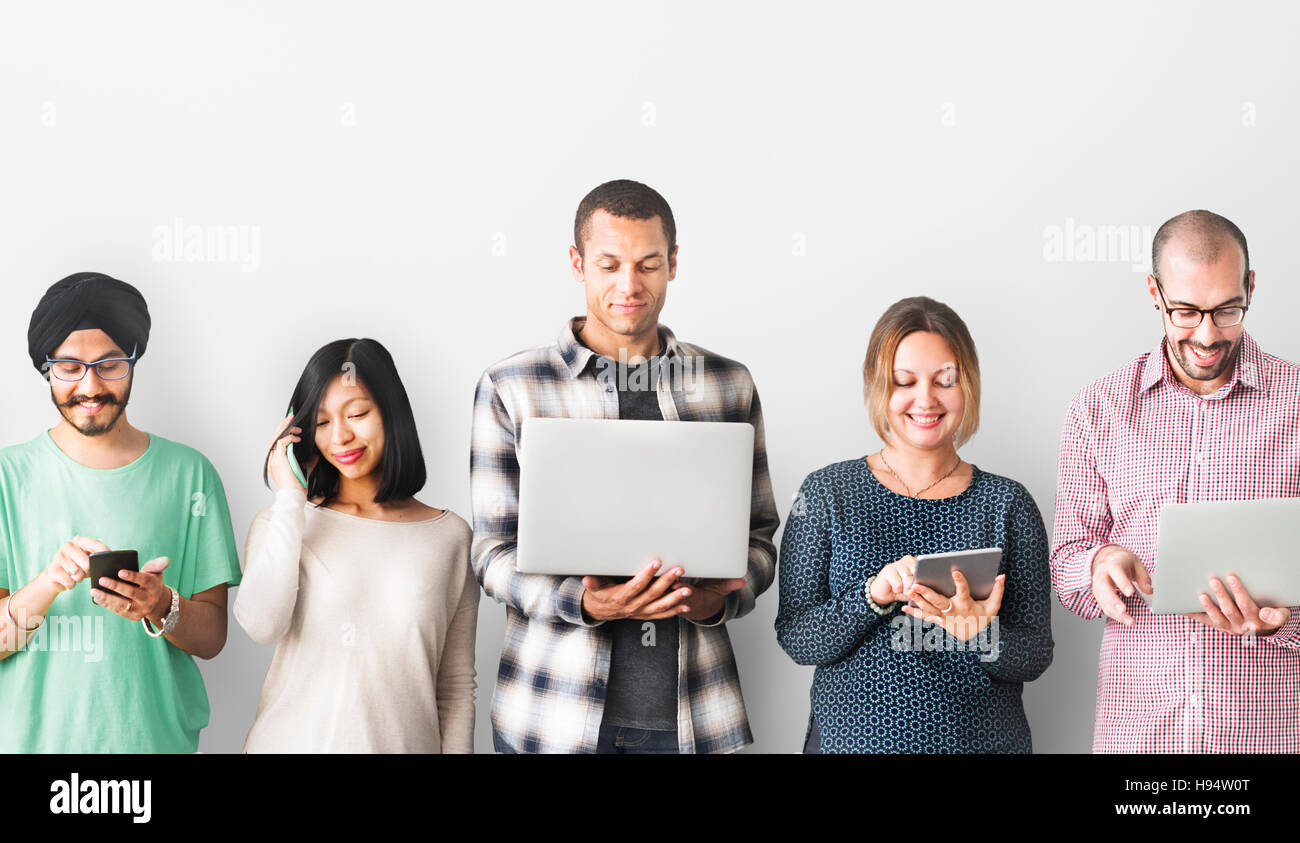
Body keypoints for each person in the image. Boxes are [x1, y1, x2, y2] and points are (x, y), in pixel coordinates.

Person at [471, 179, 779, 754]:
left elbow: (760, 538)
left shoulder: (727, 384)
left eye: (648, 265)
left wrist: (721, 601)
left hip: (692, 719)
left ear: (674, 264)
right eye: (609, 264)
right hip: (550, 717)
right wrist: (584, 603)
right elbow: (491, 554)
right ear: (577, 263)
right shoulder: (512, 387)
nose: (628, 286)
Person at [1051, 209, 1300, 753]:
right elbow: (1067, 561)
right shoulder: (1100, 408)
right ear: (1154, 293)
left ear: (1250, 287)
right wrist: (1097, 565)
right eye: (1186, 311)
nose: (1207, 335)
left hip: (1268, 737)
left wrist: (1287, 623)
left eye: (1227, 309)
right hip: (1138, 738)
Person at [776, 296, 1053, 753]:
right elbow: (798, 638)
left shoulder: (1008, 503)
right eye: (904, 381)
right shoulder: (826, 493)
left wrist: (978, 634)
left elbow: (1036, 654)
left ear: (968, 386)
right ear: (877, 386)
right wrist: (872, 597)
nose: (925, 399)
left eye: (944, 381)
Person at [0, 272, 241, 753]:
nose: (90, 386)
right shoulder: (7, 478)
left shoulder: (191, 476)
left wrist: (161, 606)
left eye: (109, 364)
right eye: (69, 367)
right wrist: (48, 584)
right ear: (47, 368)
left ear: (133, 361)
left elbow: (212, 637)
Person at [235, 338, 477, 753]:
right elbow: (261, 625)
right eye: (322, 422)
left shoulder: (449, 536)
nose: (341, 436)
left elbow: (454, 689)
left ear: (391, 412)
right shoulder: (283, 522)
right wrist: (291, 496)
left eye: (358, 413)